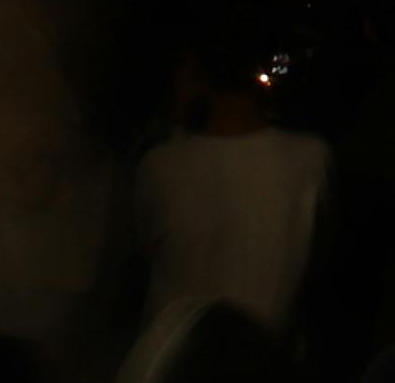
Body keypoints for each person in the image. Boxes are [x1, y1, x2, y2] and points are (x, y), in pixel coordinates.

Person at [131, 54, 327, 335]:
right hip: (261, 364)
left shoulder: (162, 166)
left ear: (191, 74)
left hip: (168, 363)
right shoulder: (312, 160)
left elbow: (141, 252)